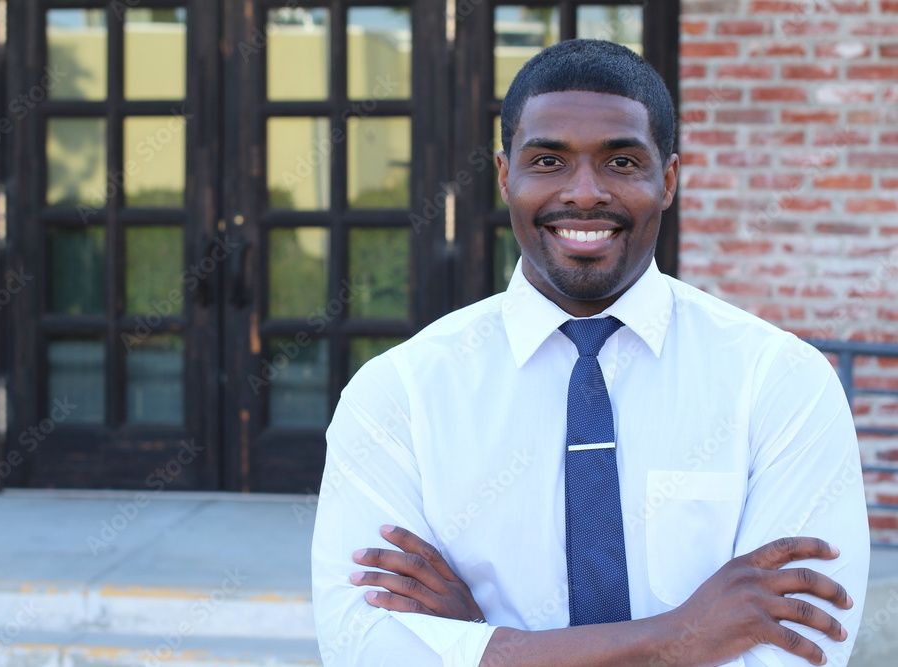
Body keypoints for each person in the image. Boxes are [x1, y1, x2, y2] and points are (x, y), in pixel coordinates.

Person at [311, 39, 869, 667]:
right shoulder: (399, 396)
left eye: (622, 162)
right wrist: (681, 636)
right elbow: (363, 649)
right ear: (504, 176)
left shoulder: (780, 384)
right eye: (548, 160)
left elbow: (796, 653)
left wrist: (485, 645)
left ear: (669, 180)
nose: (583, 193)